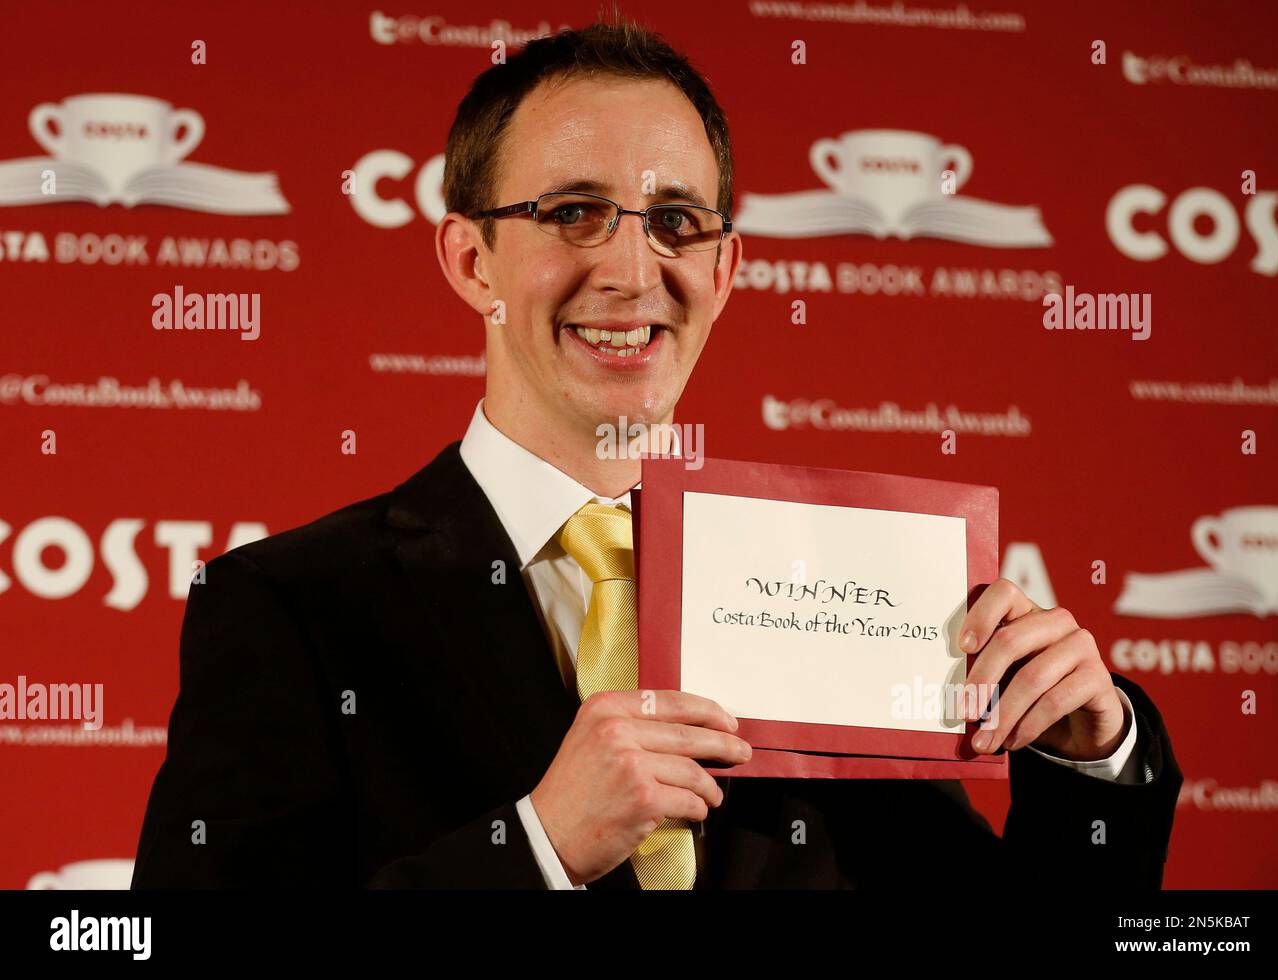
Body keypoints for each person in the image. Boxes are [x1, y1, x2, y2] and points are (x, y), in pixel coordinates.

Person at [131, 18, 1182, 890]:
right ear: (469, 257)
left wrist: (1092, 758)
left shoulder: (841, 590)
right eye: (574, 213)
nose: (633, 270)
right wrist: (538, 845)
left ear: (724, 270)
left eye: (674, 220)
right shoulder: (289, 603)